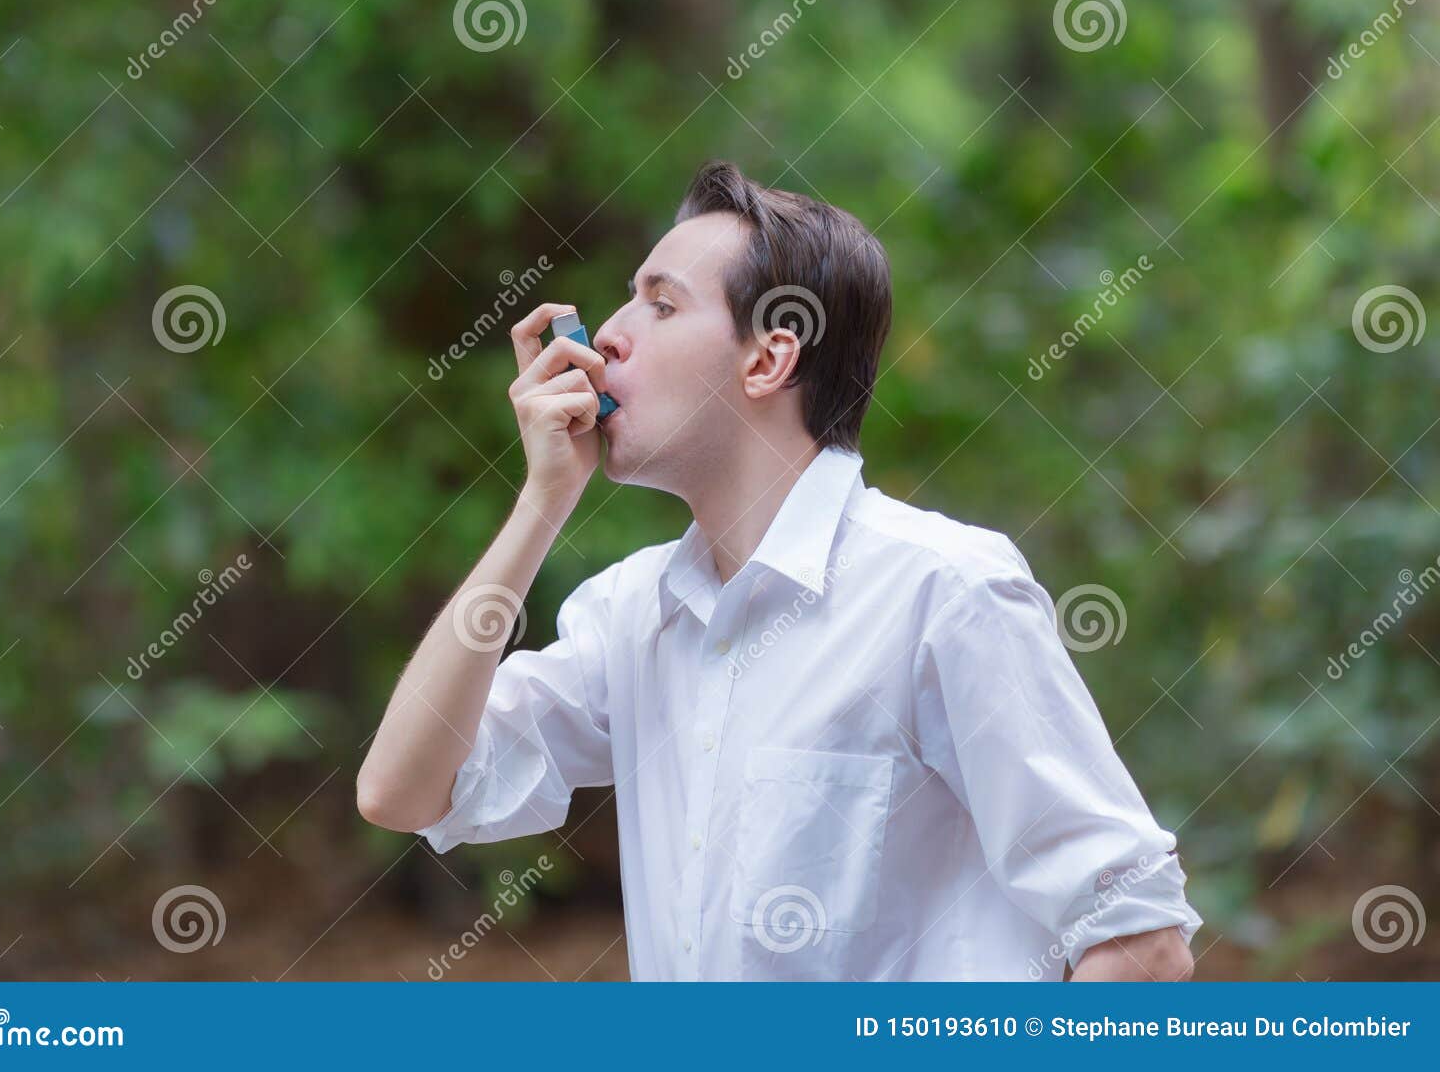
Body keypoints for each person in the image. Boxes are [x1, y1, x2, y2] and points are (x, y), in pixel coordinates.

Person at [357, 160, 1201, 981]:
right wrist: (542, 503)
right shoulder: (631, 615)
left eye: (660, 303)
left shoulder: (943, 591)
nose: (607, 332)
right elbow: (404, 791)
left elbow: (1140, 941)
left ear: (768, 360)